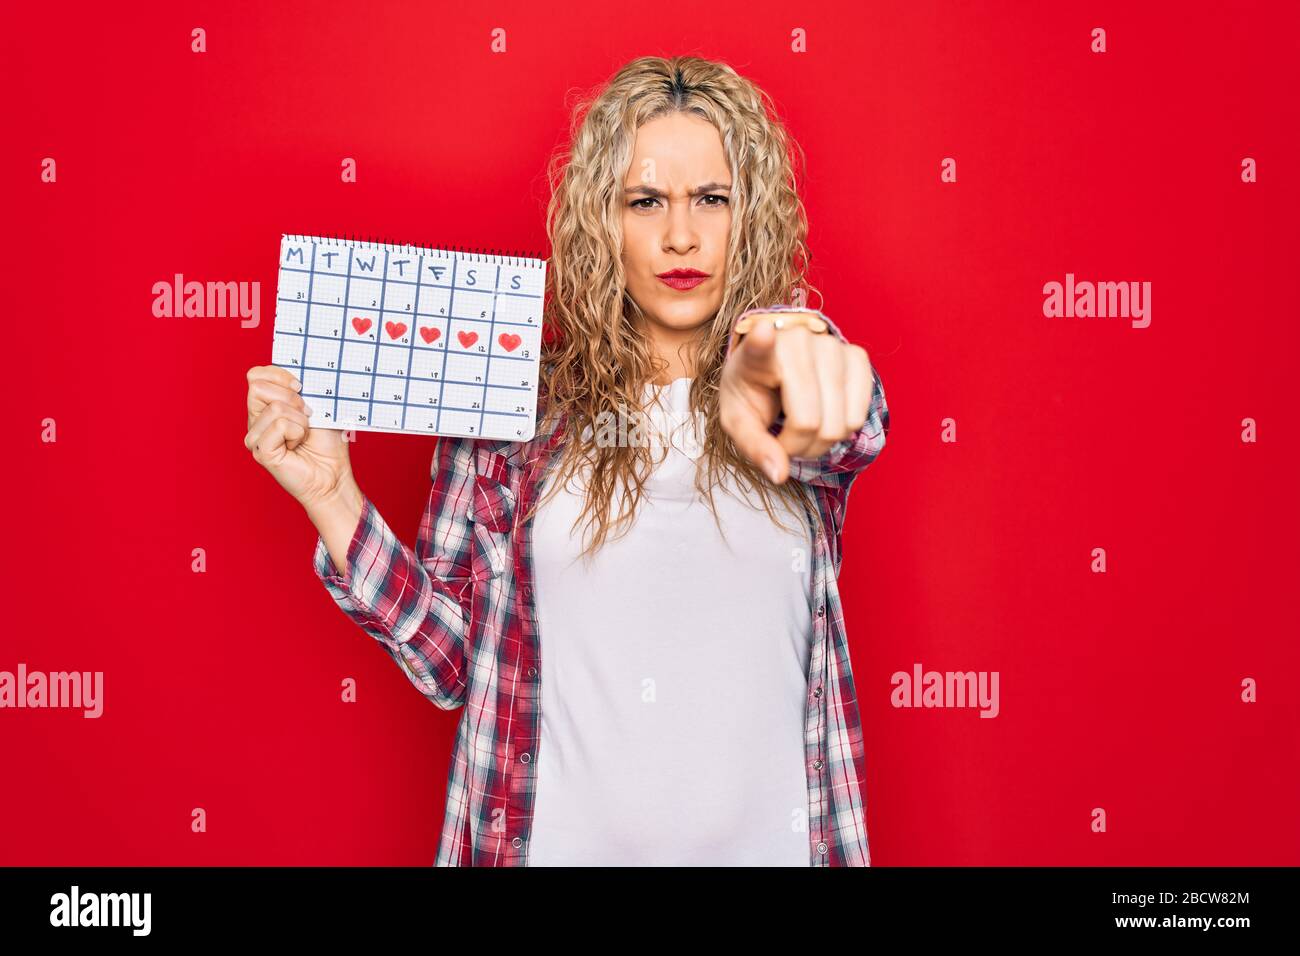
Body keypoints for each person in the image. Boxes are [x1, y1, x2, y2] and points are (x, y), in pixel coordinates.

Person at [244, 54, 890, 866]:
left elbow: (847, 418)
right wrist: (334, 498)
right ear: (602, 218)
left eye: (712, 199)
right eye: (646, 200)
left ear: (750, 216)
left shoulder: (782, 392)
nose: (680, 235)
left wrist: (785, 354)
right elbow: (455, 665)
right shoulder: (513, 415)